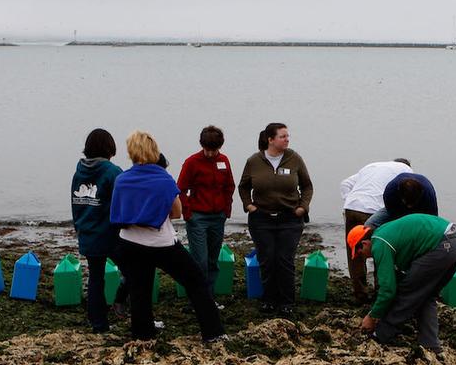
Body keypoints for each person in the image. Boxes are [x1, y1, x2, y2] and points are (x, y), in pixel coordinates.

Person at [111, 130, 226, 342]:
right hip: (161, 243)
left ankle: (143, 334)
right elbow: (176, 212)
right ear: (154, 151)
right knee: (196, 282)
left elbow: (118, 211)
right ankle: (213, 333)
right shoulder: (163, 177)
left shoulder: (122, 179)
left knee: (139, 290)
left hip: (130, 242)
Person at [347, 213, 456, 353]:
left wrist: (372, 316)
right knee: (426, 294)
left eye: (360, 252)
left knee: (408, 292)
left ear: (364, 243)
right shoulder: (385, 233)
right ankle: (431, 345)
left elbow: (388, 290)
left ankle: (380, 335)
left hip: (442, 246)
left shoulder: (379, 243)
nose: (363, 256)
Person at [238, 123, 313, 316]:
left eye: (288, 136)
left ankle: (287, 301)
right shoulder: (254, 161)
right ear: (270, 139)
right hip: (261, 220)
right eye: (282, 136)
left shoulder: (294, 158)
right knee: (267, 259)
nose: (287, 139)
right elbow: (243, 186)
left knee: (284, 259)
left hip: (289, 219)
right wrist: (248, 205)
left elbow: (307, 186)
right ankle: (269, 299)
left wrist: (302, 207)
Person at [71, 129, 123, 332]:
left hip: (87, 233)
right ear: (109, 148)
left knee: (95, 278)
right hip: (110, 235)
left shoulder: (78, 171)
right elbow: (123, 202)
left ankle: (98, 323)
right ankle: (121, 304)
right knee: (132, 272)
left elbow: (75, 204)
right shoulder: (112, 172)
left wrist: (79, 228)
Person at [340, 159, 413, 303]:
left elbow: (345, 184)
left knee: (355, 250)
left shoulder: (372, 166)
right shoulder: (407, 171)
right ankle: (379, 292)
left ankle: (360, 294)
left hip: (352, 207)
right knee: (380, 248)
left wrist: (351, 200)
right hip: (374, 210)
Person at [177, 125, 236, 293]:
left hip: (218, 217)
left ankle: (208, 297)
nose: (210, 153)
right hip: (198, 218)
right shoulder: (191, 162)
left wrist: (226, 210)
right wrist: (188, 213)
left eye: (214, 150)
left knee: (212, 261)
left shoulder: (223, 160)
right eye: (207, 149)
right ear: (201, 145)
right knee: (199, 261)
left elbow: (229, 186)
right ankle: (198, 297)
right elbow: (180, 188)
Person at [364, 172, 438, 229]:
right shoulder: (390, 192)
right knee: (369, 225)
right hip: (397, 209)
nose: (409, 206)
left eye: (412, 203)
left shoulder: (428, 194)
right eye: (408, 203)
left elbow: (433, 220)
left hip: (421, 212)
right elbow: (395, 218)